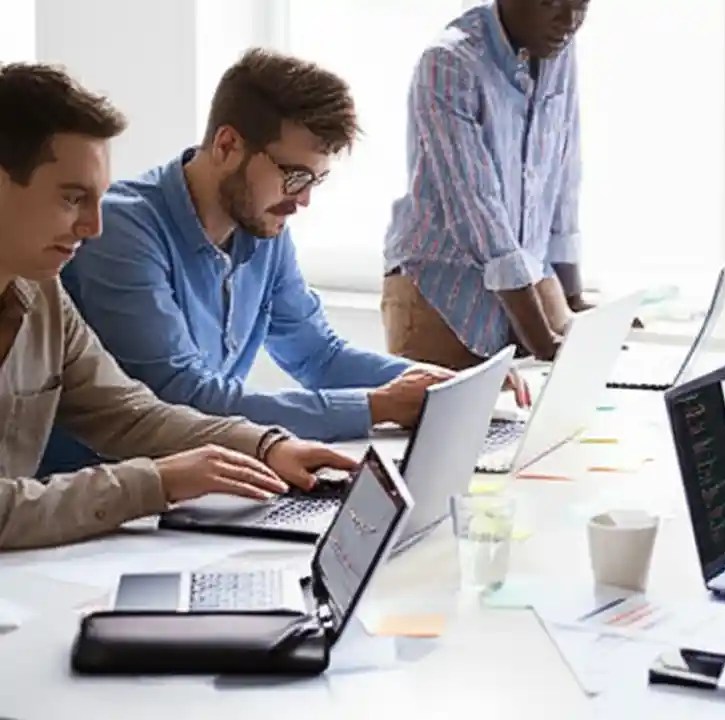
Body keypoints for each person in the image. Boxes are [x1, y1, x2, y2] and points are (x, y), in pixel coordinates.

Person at [42, 49, 527, 476]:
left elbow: (319, 356)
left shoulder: (263, 227)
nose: (303, 201)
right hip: (95, 505)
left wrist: (451, 389)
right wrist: (376, 405)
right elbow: (181, 394)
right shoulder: (121, 230)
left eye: (316, 181)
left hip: (193, 487)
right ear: (228, 145)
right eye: (294, 177)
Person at [0, 62, 353, 551]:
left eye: (97, 199)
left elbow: (131, 412)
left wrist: (265, 445)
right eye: (72, 198)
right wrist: (156, 482)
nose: (93, 228)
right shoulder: (122, 236)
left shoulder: (42, 295)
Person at [382, 0, 593, 369]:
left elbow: (563, 168)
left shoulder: (557, 45)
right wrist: (542, 340)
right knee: (450, 424)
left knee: (557, 416)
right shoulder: (449, 64)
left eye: (582, 4)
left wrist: (574, 296)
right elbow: (476, 209)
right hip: (445, 292)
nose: (570, 21)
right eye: (552, 4)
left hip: (529, 275)